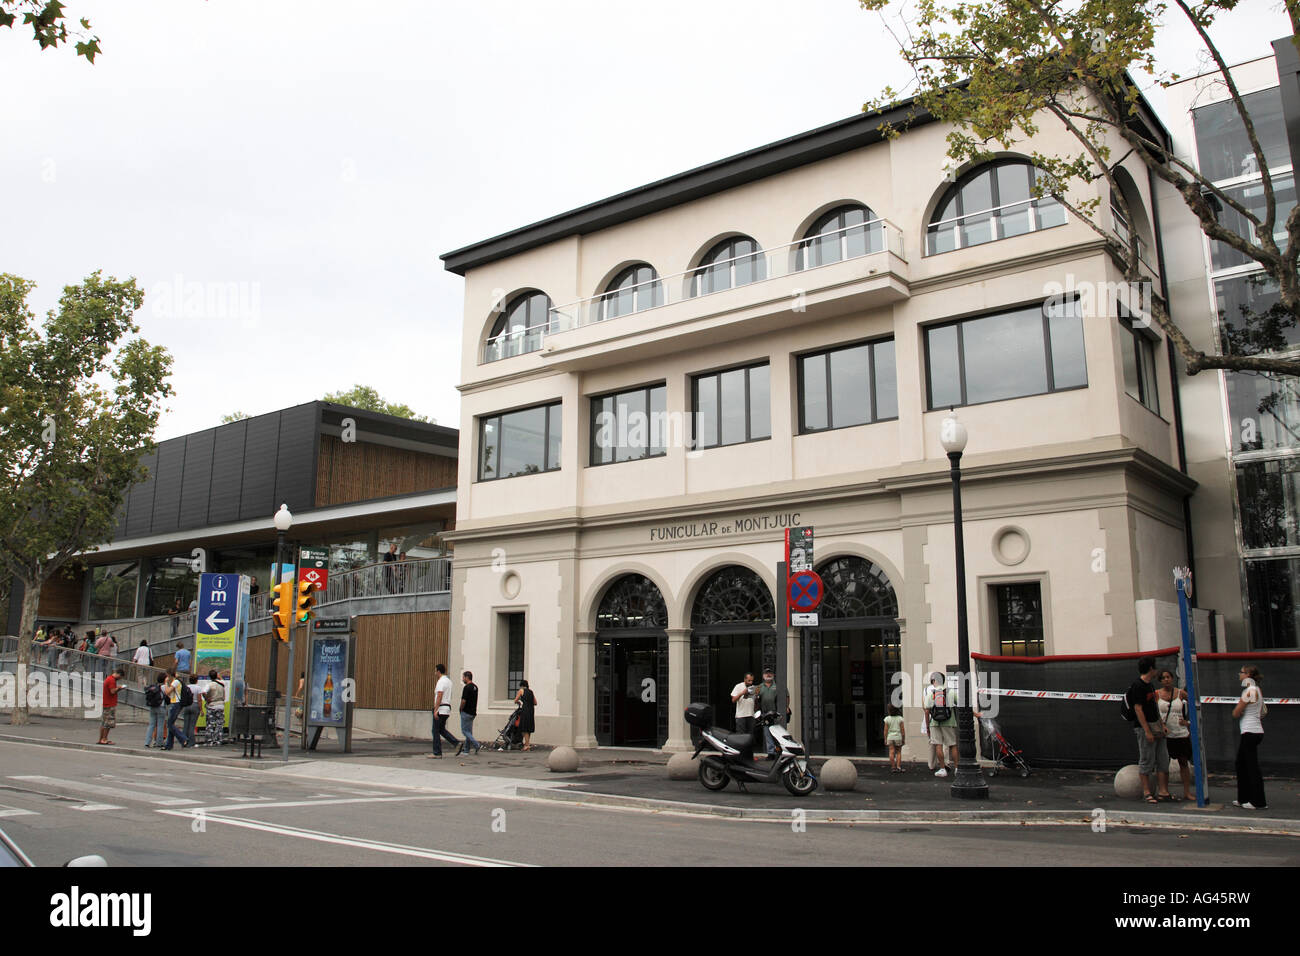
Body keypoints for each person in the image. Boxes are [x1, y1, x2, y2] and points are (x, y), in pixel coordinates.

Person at [1125, 656, 1170, 804]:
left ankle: (1163, 791)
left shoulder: (1150, 685)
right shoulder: (1138, 686)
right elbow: (1138, 709)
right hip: (1145, 727)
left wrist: (1161, 723)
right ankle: (1146, 792)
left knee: (1163, 758)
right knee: (1147, 759)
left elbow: (1154, 706)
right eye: (1155, 667)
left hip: (1155, 724)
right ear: (1151, 668)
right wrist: (1147, 731)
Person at [1232, 664, 1267, 810]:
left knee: (1251, 767)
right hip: (1254, 730)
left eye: (1241, 672)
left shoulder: (1249, 691)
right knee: (1241, 764)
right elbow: (1263, 711)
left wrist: (1238, 711)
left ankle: (1258, 801)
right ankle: (1244, 798)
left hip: (1250, 731)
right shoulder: (1256, 689)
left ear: (1248, 675)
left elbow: (1236, 712)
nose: (1239, 675)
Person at [1157, 669, 1192, 802]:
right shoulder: (1156, 695)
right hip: (1166, 734)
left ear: (1172, 678)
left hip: (1181, 733)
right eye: (1163, 677)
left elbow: (1196, 707)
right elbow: (1153, 712)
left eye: (1168, 677)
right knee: (1164, 763)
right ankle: (1164, 791)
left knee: (1183, 762)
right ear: (1160, 680)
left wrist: (1188, 722)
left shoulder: (1180, 693)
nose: (1166, 679)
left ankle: (1187, 792)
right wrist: (1161, 725)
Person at [923, 671, 958, 777]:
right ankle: (957, 768)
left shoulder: (931, 694)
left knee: (938, 745)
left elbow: (927, 710)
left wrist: (927, 725)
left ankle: (942, 769)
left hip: (935, 722)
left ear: (934, 681)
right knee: (952, 745)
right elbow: (960, 704)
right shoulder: (950, 692)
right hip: (949, 721)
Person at [755, 668, 790, 758]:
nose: (768, 675)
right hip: (765, 714)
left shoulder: (778, 686)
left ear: (773, 675)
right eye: (766, 673)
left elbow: (786, 696)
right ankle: (771, 753)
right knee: (767, 733)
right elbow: (755, 699)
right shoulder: (759, 687)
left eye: (770, 673)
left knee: (778, 733)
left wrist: (786, 707)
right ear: (763, 676)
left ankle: (779, 751)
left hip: (776, 714)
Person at [428, 663, 460, 758]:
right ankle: (456, 743)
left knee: (435, 730)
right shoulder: (449, 681)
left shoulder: (441, 682)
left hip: (441, 709)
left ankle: (437, 752)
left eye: (435, 671)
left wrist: (435, 709)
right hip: (447, 708)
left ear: (438, 671)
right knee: (441, 729)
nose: (435, 673)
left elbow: (439, 695)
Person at [163, 668, 190, 750]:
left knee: (169, 724)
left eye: (167, 675)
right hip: (175, 703)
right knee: (171, 724)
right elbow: (169, 694)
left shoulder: (175, 682)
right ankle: (169, 745)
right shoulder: (176, 681)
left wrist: (166, 683)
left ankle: (183, 738)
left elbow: (167, 692)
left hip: (176, 704)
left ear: (169, 675)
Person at [98, 667, 125, 745]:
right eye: (120, 677)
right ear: (118, 674)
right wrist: (119, 688)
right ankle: (104, 739)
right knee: (108, 723)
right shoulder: (112, 680)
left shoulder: (108, 678)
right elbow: (112, 691)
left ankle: (101, 739)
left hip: (106, 703)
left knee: (104, 722)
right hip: (110, 704)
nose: (119, 679)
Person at [459, 670, 481, 756]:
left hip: (466, 711)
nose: (462, 679)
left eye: (463, 677)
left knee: (464, 731)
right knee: (469, 731)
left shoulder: (467, 687)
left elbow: (463, 700)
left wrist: (460, 708)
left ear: (467, 677)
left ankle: (476, 744)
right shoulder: (475, 687)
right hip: (473, 712)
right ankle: (466, 750)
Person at [144, 671, 167, 748]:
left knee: (151, 725)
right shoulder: (164, 687)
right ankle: (159, 742)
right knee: (160, 725)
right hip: (161, 707)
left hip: (152, 707)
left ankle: (147, 742)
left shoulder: (154, 686)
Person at [730, 672, 757, 739]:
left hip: (751, 715)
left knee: (750, 736)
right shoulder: (738, 686)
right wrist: (742, 693)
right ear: (745, 679)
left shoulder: (753, 688)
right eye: (749, 680)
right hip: (741, 716)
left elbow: (755, 701)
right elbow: (733, 700)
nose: (751, 682)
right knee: (740, 736)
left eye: (752, 680)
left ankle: (749, 749)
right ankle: (741, 749)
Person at [203, 669, 226, 747]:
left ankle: (210, 740)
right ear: (217, 676)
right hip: (220, 705)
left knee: (210, 723)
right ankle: (218, 739)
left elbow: (204, 692)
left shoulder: (209, 685)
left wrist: (207, 699)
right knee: (219, 723)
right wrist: (219, 676)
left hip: (212, 705)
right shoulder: (222, 683)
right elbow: (222, 680)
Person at [514, 679, 538, 751]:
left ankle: (527, 745)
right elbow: (535, 702)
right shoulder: (531, 691)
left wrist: (519, 702)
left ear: (521, 685)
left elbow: (516, 700)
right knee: (529, 727)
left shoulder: (521, 690)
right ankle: (527, 744)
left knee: (524, 728)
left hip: (525, 710)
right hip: (531, 710)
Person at [182, 671, 203, 745]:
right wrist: (201, 710)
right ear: (197, 680)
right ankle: (191, 742)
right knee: (192, 725)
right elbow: (199, 699)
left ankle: (183, 741)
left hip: (187, 705)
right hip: (195, 705)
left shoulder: (186, 687)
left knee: (185, 725)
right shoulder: (198, 688)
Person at [884, 704, 906, 773]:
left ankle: (893, 767)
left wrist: (885, 738)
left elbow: (885, 730)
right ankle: (898, 767)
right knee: (898, 752)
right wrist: (903, 739)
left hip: (890, 737)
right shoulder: (900, 718)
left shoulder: (887, 719)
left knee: (891, 752)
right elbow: (902, 730)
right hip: (898, 736)